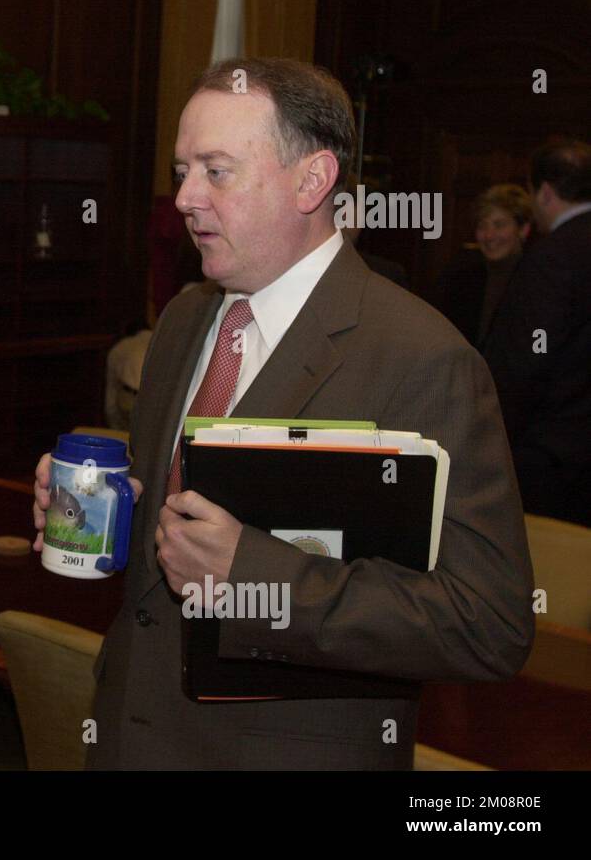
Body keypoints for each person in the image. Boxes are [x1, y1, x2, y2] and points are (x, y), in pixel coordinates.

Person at [32, 57, 534, 770]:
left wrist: (256, 578)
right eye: (182, 170)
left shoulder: (423, 360)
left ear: (312, 181)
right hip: (130, 736)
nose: (183, 197)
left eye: (217, 170)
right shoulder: (184, 320)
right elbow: (172, 549)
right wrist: (96, 514)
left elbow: (489, 623)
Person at [484, 140, 591, 526]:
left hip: (551, 456)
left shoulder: (552, 257)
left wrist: (490, 440)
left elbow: (525, 361)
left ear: (544, 192)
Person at [433, 184, 531, 348]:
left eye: (499, 225)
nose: (489, 235)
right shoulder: (460, 278)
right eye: (482, 226)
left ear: (523, 229)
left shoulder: (537, 278)